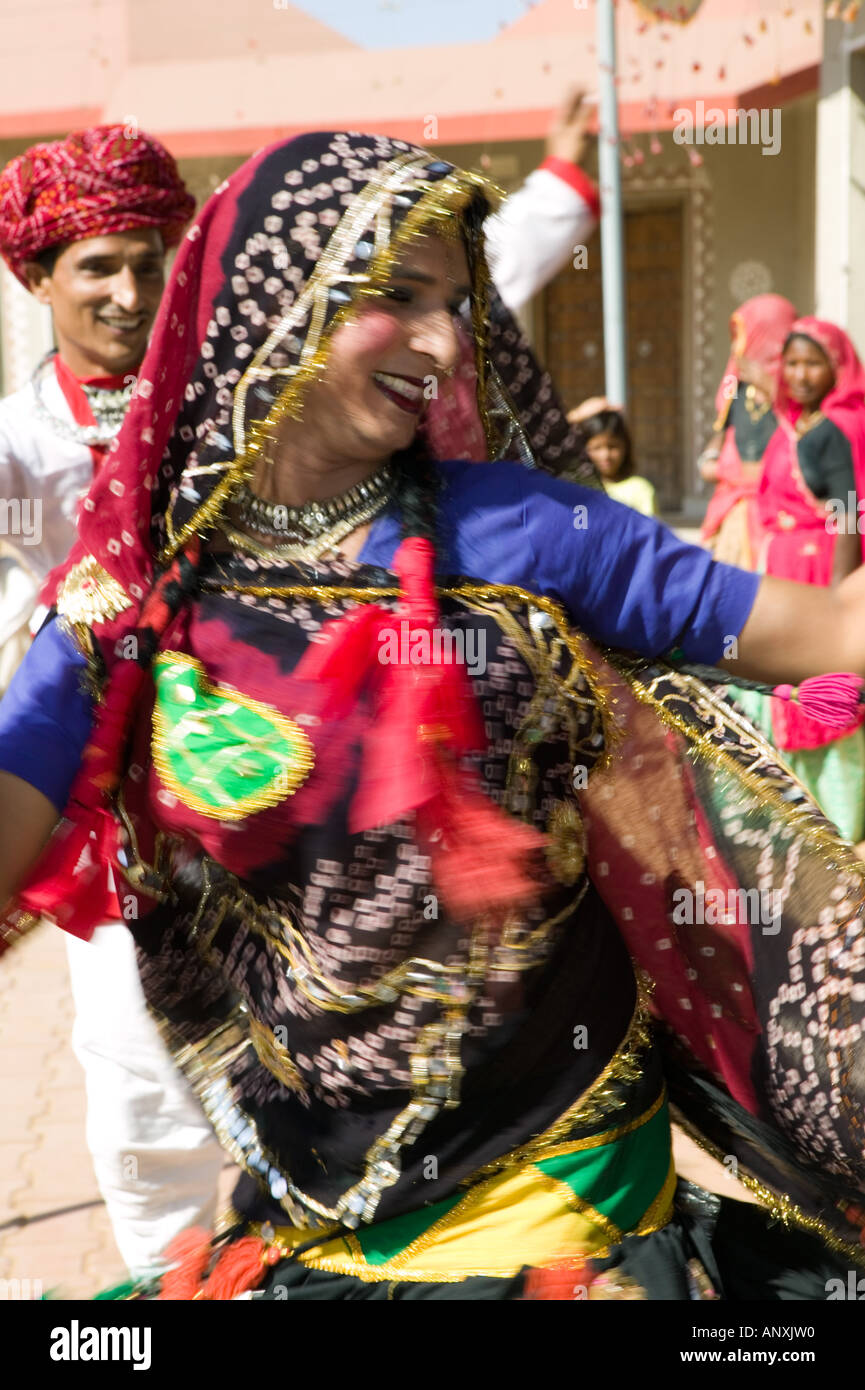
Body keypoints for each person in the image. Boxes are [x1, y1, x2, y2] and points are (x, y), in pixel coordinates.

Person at [2, 131, 865, 1301]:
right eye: (395, 296)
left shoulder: (528, 532)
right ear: (275, 303)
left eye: (455, 301)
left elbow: (831, 634)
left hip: (565, 1208)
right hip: (314, 1228)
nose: (442, 340)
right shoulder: (133, 606)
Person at [0, 124, 228, 1282]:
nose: (130, 290)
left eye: (152, 258)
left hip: (262, 779)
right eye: (97, 265)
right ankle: (173, 1282)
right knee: (139, 1066)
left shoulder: (238, 419)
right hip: (99, 808)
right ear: (38, 276)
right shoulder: (15, 447)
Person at [728, 318, 865, 847]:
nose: (801, 374)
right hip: (784, 567)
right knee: (785, 682)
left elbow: (850, 512)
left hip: (818, 570)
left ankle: (835, 813)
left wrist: (837, 599)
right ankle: (795, 804)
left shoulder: (837, 428)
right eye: (793, 362)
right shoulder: (798, 424)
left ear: (837, 367)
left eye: (814, 362)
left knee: (823, 681)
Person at [699, 294, 796, 570]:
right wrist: (709, 461)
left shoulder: (798, 381)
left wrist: (770, 385)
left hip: (779, 508)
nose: (738, 344)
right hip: (736, 505)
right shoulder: (736, 382)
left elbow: (803, 430)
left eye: (744, 333)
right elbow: (722, 428)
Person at [568, 404, 656, 516]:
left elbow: (647, 531)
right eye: (596, 448)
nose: (605, 455)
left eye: (613, 447)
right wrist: (576, 415)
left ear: (626, 447)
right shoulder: (577, 489)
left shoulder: (640, 490)